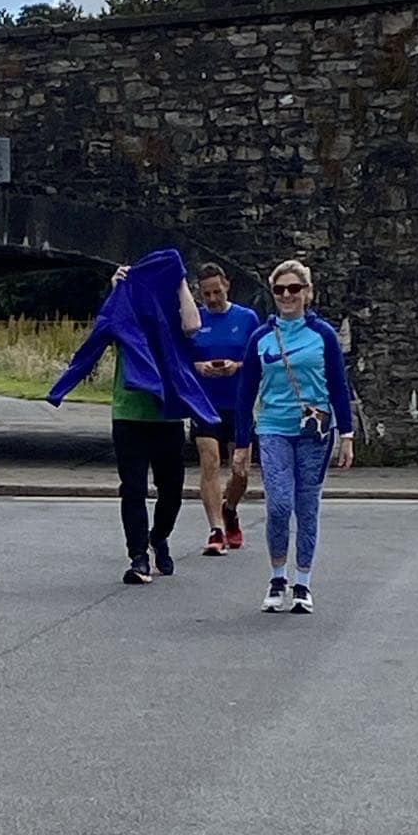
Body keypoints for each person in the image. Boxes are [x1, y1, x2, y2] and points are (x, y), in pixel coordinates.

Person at [47, 250, 216, 586]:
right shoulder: (124, 313)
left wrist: (179, 279)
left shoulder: (172, 316)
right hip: (128, 414)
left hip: (167, 416)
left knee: (171, 490)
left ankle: (158, 537)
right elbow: (99, 334)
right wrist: (117, 290)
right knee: (133, 488)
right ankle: (138, 556)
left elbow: (193, 325)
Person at [232, 260, 354, 614]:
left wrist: (347, 434)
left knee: (307, 505)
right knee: (279, 505)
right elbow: (245, 393)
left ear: (307, 293)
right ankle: (277, 577)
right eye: (280, 290)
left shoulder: (323, 335)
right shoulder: (261, 337)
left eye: (294, 289)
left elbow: (338, 384)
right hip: (273, 427)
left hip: (314, 431)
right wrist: (242, 444)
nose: (287, 295)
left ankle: (303, 582)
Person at [190, 262, 261, 556]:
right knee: (210, 462)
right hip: (205, 403)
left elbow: (259, 360)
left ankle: (229, 508)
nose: (212, 299)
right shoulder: (194, 320)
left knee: (240, 471)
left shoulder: (247, 318)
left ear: (227, 286)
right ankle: (216, 529)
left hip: (239, 403)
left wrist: (237, 366)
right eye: (206, 294)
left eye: (217, 292)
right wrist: (198, 367)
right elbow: (182, 360)